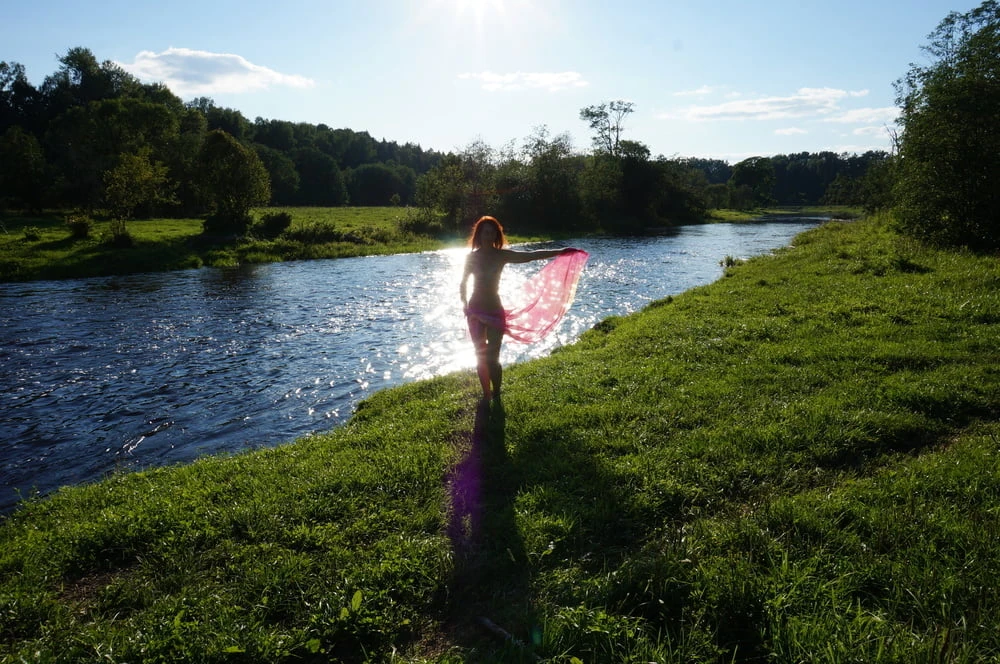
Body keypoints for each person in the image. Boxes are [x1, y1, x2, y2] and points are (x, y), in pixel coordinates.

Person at [460, 215, 582, 403]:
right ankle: (486, 394)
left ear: (496, 236)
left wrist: (560, 251)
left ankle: (497, 394)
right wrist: (464, 304)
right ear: (479, 234)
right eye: (485, 232)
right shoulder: (471, 257)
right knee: (480, 356)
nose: (489, 236)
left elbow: (531, 256)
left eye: (492, 233)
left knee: (493, 357)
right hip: (475, 311)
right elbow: (463, 283)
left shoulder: (502, 255)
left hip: (494, 310)